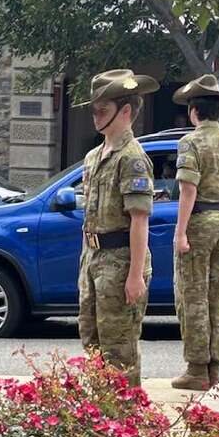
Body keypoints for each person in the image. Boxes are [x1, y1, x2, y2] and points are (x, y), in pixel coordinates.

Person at [75, 68, 160, 387]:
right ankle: (101, 420)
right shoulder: (94, 156)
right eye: (94, 109)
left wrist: (136, 274)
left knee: (119, 350)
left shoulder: (132, 158)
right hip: (94, 260)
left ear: (125, 111)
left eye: (103, 110)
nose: (96, 116)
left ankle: (125, 423)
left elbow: (139, 219)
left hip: (122, 260)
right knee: (92, 344)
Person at [170, 74, 219, 391]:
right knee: (218, 297)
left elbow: (188, 190)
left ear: (193, 111)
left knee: (193, 297)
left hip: (200, 221)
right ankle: (214, 367)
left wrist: (180, 232)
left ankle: (196, 369)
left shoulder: (190, 142)